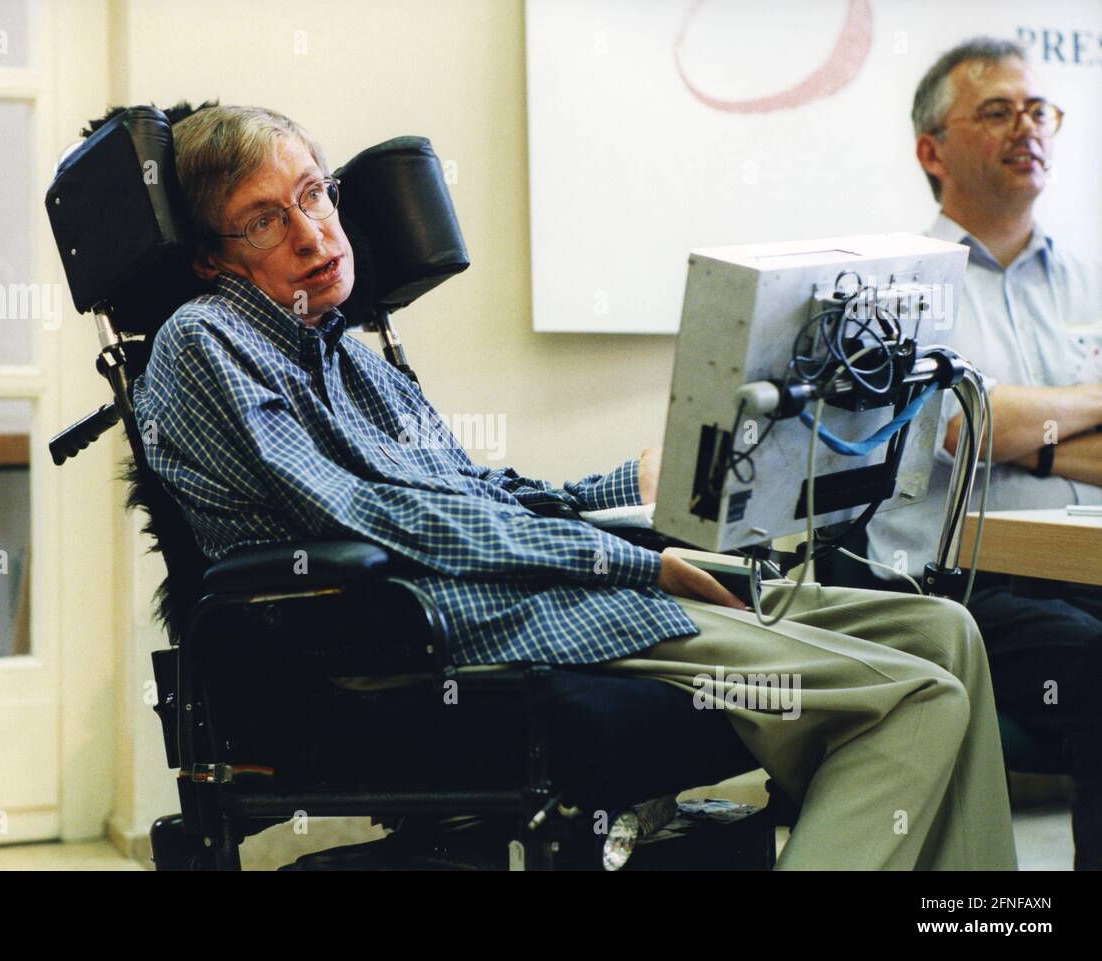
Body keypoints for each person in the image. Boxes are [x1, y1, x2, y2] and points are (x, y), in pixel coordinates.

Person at [131, 103, 1018, 869]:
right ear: (214, 258)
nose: (313, 232)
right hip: (469, 621)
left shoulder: (348, 357)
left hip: (536, 584)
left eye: (315, 193)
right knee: (914, 697)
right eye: (264, 220)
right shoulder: (205, 342)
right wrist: (632, 562)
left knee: (945, 630)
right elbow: (379, 516)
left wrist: (623, 490)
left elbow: (478, 492)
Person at [866, 37, 1102, 870]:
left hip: (1086, 564)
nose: (1025, 127)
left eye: (1038, 110)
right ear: (933, 149)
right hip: (962, 586)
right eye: (997, 111)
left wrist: (1022, 433)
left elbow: (993, 420)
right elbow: (961, 421)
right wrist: (1079, 412)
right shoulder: (900, 286)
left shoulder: (1089, 277)